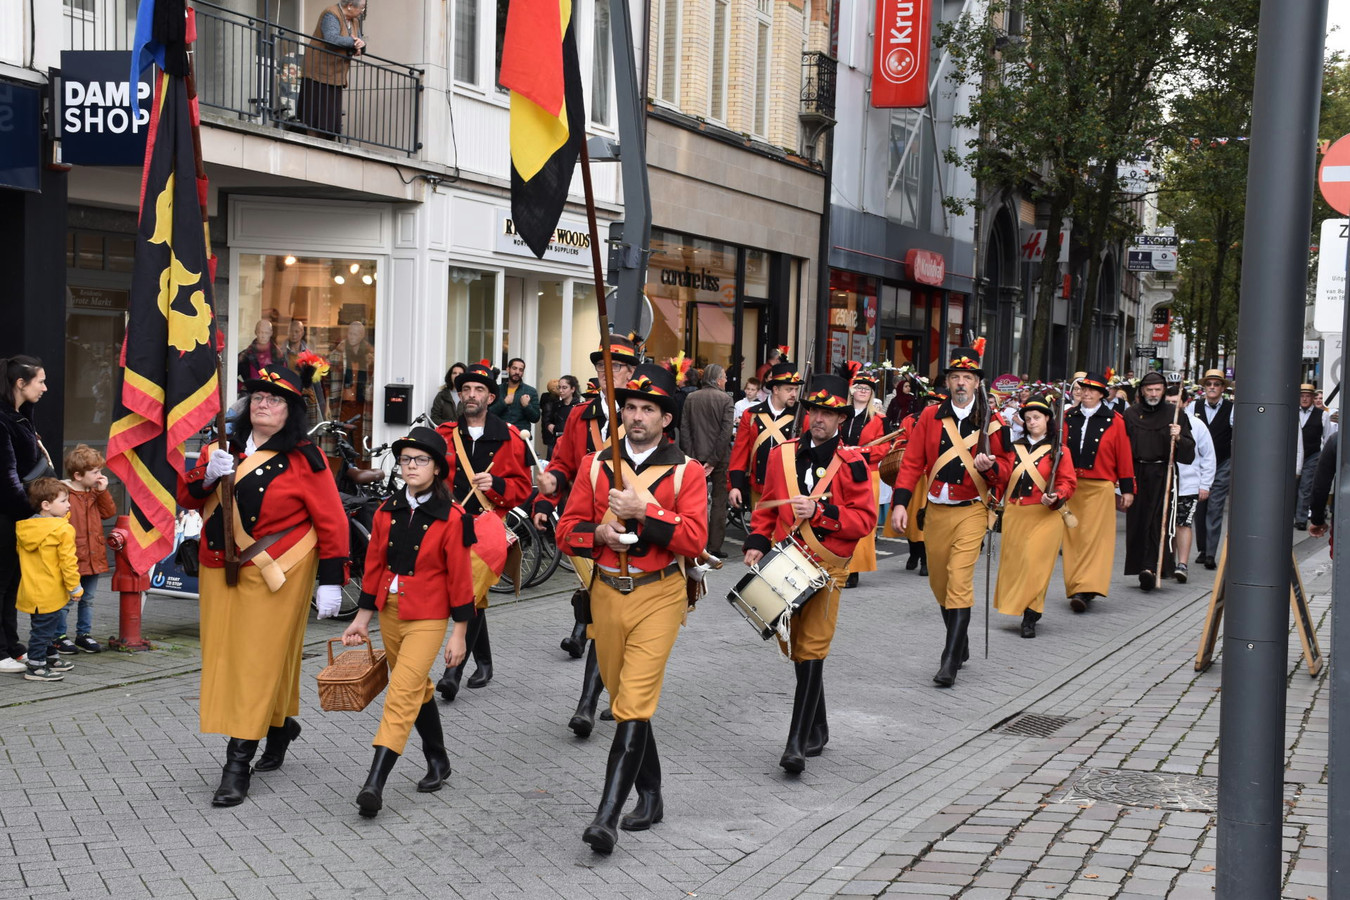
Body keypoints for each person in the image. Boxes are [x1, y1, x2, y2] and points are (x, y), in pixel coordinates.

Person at [179, 365, 350, 807]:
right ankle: (279, 726)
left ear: (291, 410)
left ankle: (237, 767)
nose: (263, 404)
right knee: (228, 655)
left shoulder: (304, 458)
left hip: (279, 570)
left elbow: (332, 520)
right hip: (220, 567)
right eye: (257, 397)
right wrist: (208, 475)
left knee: (254, 660)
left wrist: (331, 580)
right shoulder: (222, 448)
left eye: (274, 399)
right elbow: (187, 498)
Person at [556, 364, 708, 854]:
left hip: (660, 593)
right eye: (631, 408)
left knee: (633, 703)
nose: (636, 417)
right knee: (626, 702)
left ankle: (606, 818)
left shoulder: (687, 470)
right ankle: (652, 794)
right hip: (605, 592)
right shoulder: (596, 465)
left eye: (648, 409)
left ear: (666, 419)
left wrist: (648, 512)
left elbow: (696, 538)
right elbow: (566, 529)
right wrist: (595, 535)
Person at [743, 374, 876, 772]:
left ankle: (796, 743)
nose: (819, 418)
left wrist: (822, 513)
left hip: (826, 565)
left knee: (813, 646)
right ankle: (818, 727)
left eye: (829, 413)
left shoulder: (852, 463)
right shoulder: (780, 453)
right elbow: (766, 506)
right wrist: (755, 542)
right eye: (814, 410)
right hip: (785, 563)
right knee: (797, 647)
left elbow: (865, 520)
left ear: (840, 418)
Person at [340, 426, 474, 817]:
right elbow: (375, 565)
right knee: (418, 686)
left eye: (420, 460)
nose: (411, 466)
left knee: (400, 693)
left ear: (437, 468)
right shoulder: (386, 510)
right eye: (405, 460)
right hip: (390, 613)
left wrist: (459, 634)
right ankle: (438, 759)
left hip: (429, 617)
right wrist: (362, 620)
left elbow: (461, 580)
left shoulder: (453, 517)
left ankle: (374, 784)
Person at [532, 338, 639, 737]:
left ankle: (607, 696)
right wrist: (546, 496)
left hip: (629, 531)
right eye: (603, 367)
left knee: (616, 618)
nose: (610, 374)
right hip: (586, 529)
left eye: (620, 368)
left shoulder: (643, 415)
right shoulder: (580, 416)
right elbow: (562, 464)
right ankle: (589, 704)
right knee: (602, 612)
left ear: (632, 372)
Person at [891, 347, 1008, 687]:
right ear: (947, 381)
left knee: (958, 581)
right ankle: (962, 641)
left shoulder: (992, 421)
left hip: (972, 510)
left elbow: (1008, 467)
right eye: (955, 377)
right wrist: (900, 502)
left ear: (977, 383)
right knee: (940, 584)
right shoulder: (929, 417)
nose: (960, 383)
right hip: (936, 511)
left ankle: (949, 661)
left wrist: (994, 468)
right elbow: (912, 462)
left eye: (967, 378)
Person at [433, 362, 532, 700]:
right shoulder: (445, 435)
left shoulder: (511, 437)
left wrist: (497, 484)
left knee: (469, 587)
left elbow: (523, 488)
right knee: (473, 594)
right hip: (450, 525)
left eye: (478, 390)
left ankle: (452, 672)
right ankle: (485, 662)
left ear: (490, 397)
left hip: (488, 524)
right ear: (460, 395)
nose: (471, 395)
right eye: (466, 390)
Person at [994, 394, 1076, 639]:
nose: (1032, 422)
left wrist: (1057, 495)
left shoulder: (1059, 450)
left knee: (1035, 565)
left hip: (1044, 516)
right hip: (1016, 513)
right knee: (1017, 565)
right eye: (1028, 418)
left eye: (1037, 417)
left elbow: (1068, 482)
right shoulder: (1014, 448)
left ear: (1047, 419)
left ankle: (1031, 613)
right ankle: (1023, 607)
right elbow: (1003, 479)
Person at [1060, 372, 1134, 613]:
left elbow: (1124, 456)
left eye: (1092, 390)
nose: (1087, 393)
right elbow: (1057, 451)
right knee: (1073, 537)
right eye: (1083, 389)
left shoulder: (1116, 421)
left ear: (1102, 394)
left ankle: (1088, 587)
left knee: (1095, 538)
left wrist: (1127, 489)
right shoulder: (1068, 417)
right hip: (1072, 486)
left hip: (1100, 486)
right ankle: (1075, 585)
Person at [1122, 372, 1195, 590]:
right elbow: (1122, 448)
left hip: (1163, 472)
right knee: (1138, 521)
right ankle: (1142, 565)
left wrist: (1179, 436)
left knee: (1157, 521)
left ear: (1164, 391)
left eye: (1158, 390)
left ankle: (1150, 567)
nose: (1153, 394)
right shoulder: (1130, 414)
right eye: (1149, 390)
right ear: (1142, 391)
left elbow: (1189, 454)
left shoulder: (1175, 414)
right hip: (1136, 471)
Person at [0, 356, 47, 674]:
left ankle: (13, 645)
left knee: (13, 582)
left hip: (17, 515)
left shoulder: (19, 417)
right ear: (20, 383)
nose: (45, 387)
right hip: (6, 515)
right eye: (40, 381)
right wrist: (30, 510)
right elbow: (6, 476)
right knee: (1, 583)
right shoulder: (3, 421)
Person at [15, 478, 82, 682]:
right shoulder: (62, 529)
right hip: (51, 590)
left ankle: (50, 656)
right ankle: (35, 666)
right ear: (46, 505)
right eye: (63, 501)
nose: (69, 505)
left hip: (32, 590)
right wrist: (75, 588)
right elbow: (68, 562)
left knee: (44, 627)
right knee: (44, 630)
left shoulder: (26, 528)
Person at [59, 445, 116, 654]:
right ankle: (59, 636)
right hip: (73, 557)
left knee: (88, 599)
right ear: (78, 475)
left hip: (94, 555)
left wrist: (102, 493)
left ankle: (83, 634)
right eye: (95, 472)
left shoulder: (94, 492)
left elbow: (109, 512)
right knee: (67, 600)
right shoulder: (64, 494)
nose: (100, 476)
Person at [729, 359, 803, 510]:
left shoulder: (802, 417)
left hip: (790, 489)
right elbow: (740, 452)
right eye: (789, 390)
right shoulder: (751, 415)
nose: (794, 394)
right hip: (758, 486)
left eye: (796, 390)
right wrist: (735, 486)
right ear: (776, 389)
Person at [679, 363, 734, 557]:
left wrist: (693, 457)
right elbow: (725, 433)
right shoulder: (725, 400)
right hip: (719, 459)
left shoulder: (691, 398)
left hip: (695, 457)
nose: (726, 380)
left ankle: (696, 543)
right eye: (725, 377)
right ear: (718, 379)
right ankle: (714, 547)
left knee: (695, 502)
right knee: (719, 502)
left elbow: (684, 430)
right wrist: (713, 461)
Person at [838, 368, 886, 589]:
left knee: (862, 521)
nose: (863, 391)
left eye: (867, 389)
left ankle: (855, 569)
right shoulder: (840, 414)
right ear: (852, 390)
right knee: (840, 518)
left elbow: (886, 446)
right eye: (859, 387)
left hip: (868, 472)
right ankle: (840, 564)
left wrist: (863, 452)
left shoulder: (879, 419)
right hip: (840, 470)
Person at [298, 0, 366, 137]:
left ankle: (326, 146)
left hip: (336, 74)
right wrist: (354, 43)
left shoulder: (355, 21)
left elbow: (359, 42)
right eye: (362, 8)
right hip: (318, 71)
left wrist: (361, 46)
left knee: (330, 119)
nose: (363, 11)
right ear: (350, 6)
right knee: (315, 115)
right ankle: (313, 144)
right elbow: (331, 39)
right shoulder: (331, 14)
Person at [1168, 386, 1214, 584]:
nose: (1171, 406)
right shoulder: (1158, 422)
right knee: (1164, 525)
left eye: (1175, 402)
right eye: (1167, 402)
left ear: (1185, 403)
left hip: (1188, 484)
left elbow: (1208, 456)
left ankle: (1182, 564)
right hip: (1164, 484)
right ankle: (1165, 563)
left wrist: (1205, 484)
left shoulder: (1197, 425)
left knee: (1183, 523)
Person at [1192, 369, 1232, 568]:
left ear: (1223, 388)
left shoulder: (1232, 409)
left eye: (1217, 384)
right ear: (1204, 387)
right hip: (1199, 465)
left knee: (1215, 507)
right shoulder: (1194, 407)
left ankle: (1210, 553)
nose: (1213, 388)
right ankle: (1201, 549)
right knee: (1200, 507)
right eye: (1209, 384)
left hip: (1223, 464)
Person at [328, 320, 374, 454]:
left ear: (362, 336)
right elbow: (327, 380)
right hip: (342, 405)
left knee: (361, 442)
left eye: (356, 334)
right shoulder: (338, 354)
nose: (352, 336)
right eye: (350, 333)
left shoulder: (369, 356)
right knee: (340, 440)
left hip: (361, 405)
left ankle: (359, 469)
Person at [1294, 383, 1336, 530]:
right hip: (1294, 455)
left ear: (1312, 398)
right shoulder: (1292, 413)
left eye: (1308, 396)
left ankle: (1301, 519)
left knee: (1305, 488)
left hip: (1312, 455)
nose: (1304, 399)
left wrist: (1323, 458)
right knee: (1293, 487)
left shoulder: (1322, 415)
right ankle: (1291, 515)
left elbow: (1327, 437)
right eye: (1302, 396)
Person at [489, 357, 541, 435]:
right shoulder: (497, 390)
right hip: (499, 434)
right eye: (514, 368)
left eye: (521, 370)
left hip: (521, 436)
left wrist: (526, 406)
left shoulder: (531, 391)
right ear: (508, 369)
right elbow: (489, 413)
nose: (517, 372)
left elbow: (535, 418)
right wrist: (504, 403)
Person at [545, 375, 583, 460]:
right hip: (557, 444)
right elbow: (548, 420)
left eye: (564, 388)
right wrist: (548, 425)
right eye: (559, 387)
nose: (561, 391)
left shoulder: (580, 406)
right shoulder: (556, 405)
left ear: (572, 389)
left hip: (573, 445)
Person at [237, 319, 278, 390]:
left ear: (271, 333)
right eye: (260, 332)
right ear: (256, 332)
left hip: (273, 394)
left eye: (266, 333)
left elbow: (285, 378)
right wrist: (242, 386)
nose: (263, 336)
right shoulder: (245, 355)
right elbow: (230, 374)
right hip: (252, 394)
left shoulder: (279, 354)